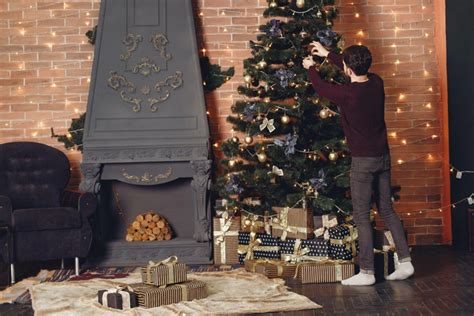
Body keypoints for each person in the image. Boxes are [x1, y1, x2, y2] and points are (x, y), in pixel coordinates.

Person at [302, 42, 414, 286]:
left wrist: (311, 67)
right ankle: (405, 262)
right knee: (387, 210)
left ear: (348, 69)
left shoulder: (346, 94)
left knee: (362, 215)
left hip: (363, 162)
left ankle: (367, 272)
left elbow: (321, 87)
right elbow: (352, 69)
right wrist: (327, 54)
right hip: (383, 157)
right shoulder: (376, 83)